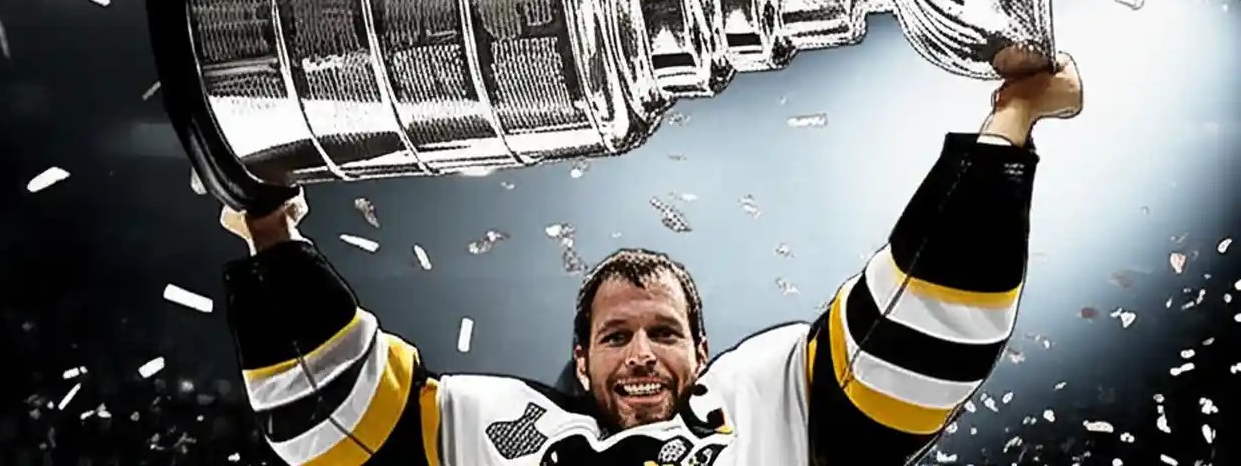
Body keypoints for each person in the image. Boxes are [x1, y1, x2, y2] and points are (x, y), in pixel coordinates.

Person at [218, 52, 1084, 466]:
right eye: (616, 336)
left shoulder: (768, 408)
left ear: (702, 352)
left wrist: (1010, 121)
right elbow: (334, 421)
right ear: (581, 360)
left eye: (664, 333)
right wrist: (269, 234)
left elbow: (915, 342)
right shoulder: (494, 435)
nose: (640, 353)